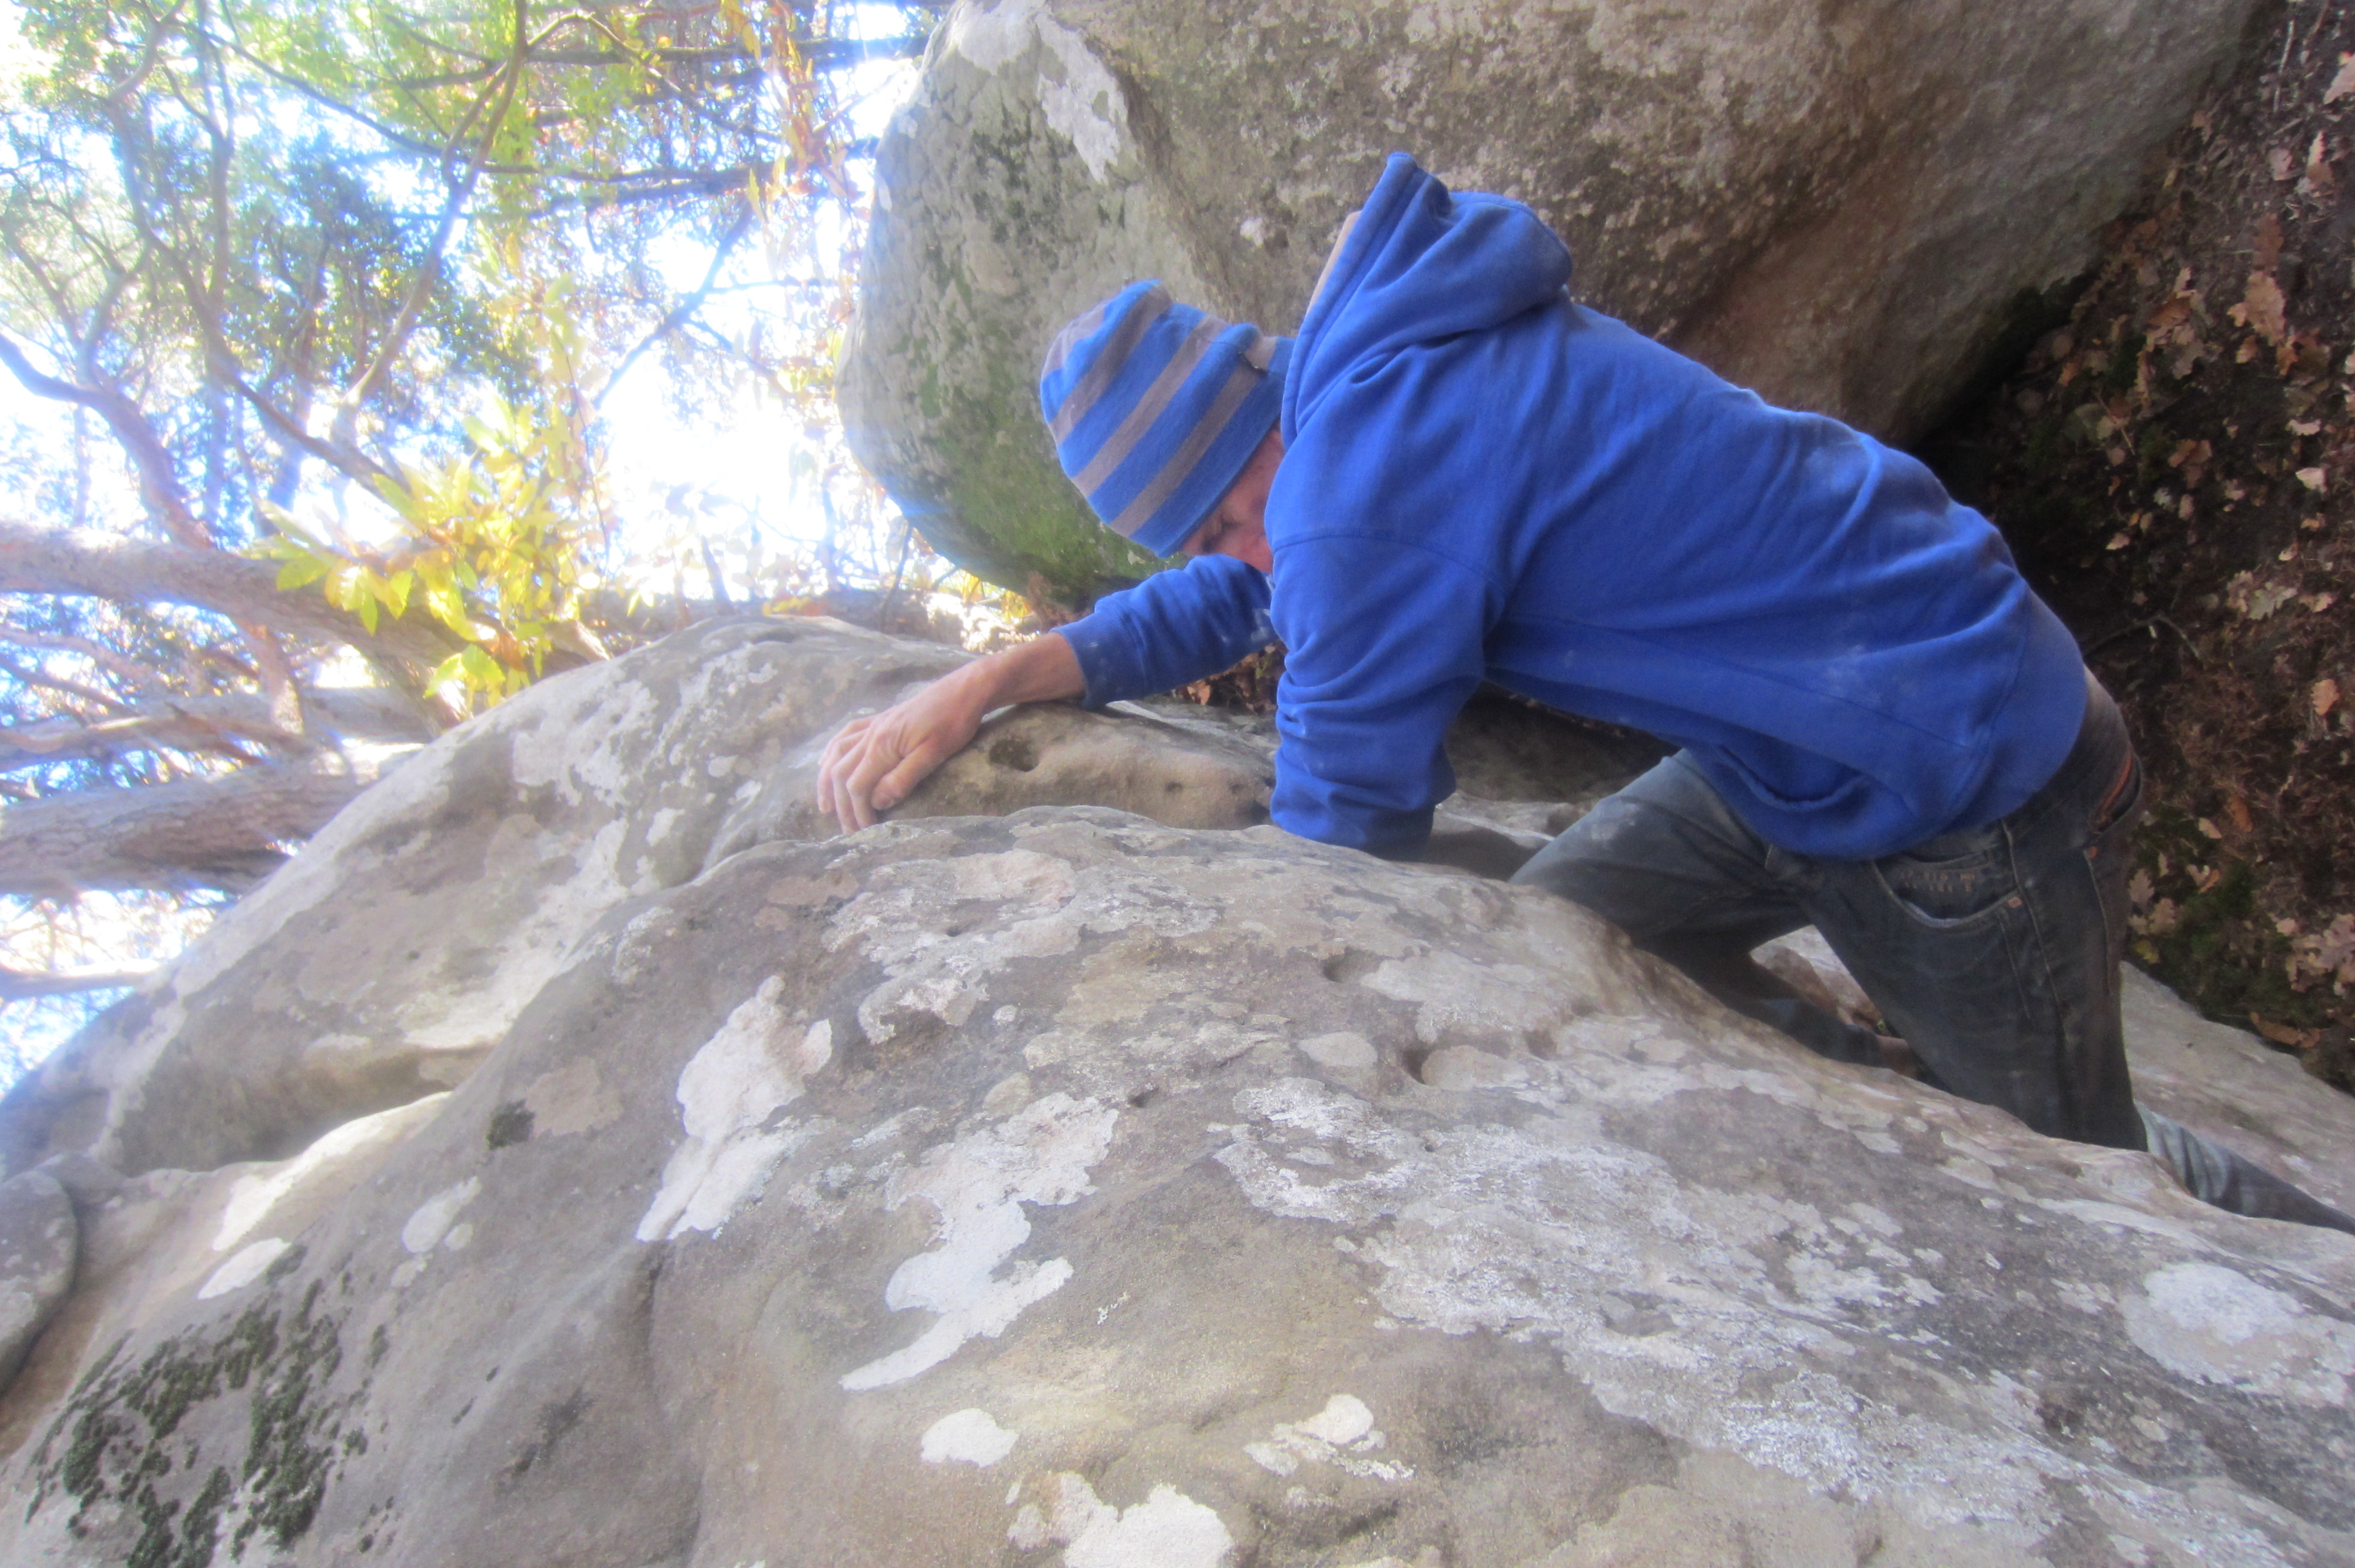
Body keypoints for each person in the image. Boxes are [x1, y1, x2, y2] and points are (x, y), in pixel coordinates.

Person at [820, 152, 2354, 1233]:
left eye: (1226, 515)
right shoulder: (1373, 382)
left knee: (2083, 1186)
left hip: (1969, 785)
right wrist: (1002, 676)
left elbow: (1336, 850)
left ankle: (2296, 1280)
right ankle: (1884, 1088)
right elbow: (1261, 587)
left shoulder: (1360, 489)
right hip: (1806, 743)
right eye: (1211, 537)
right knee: (1562, 933)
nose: (1246, 555)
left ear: (1250, 425)